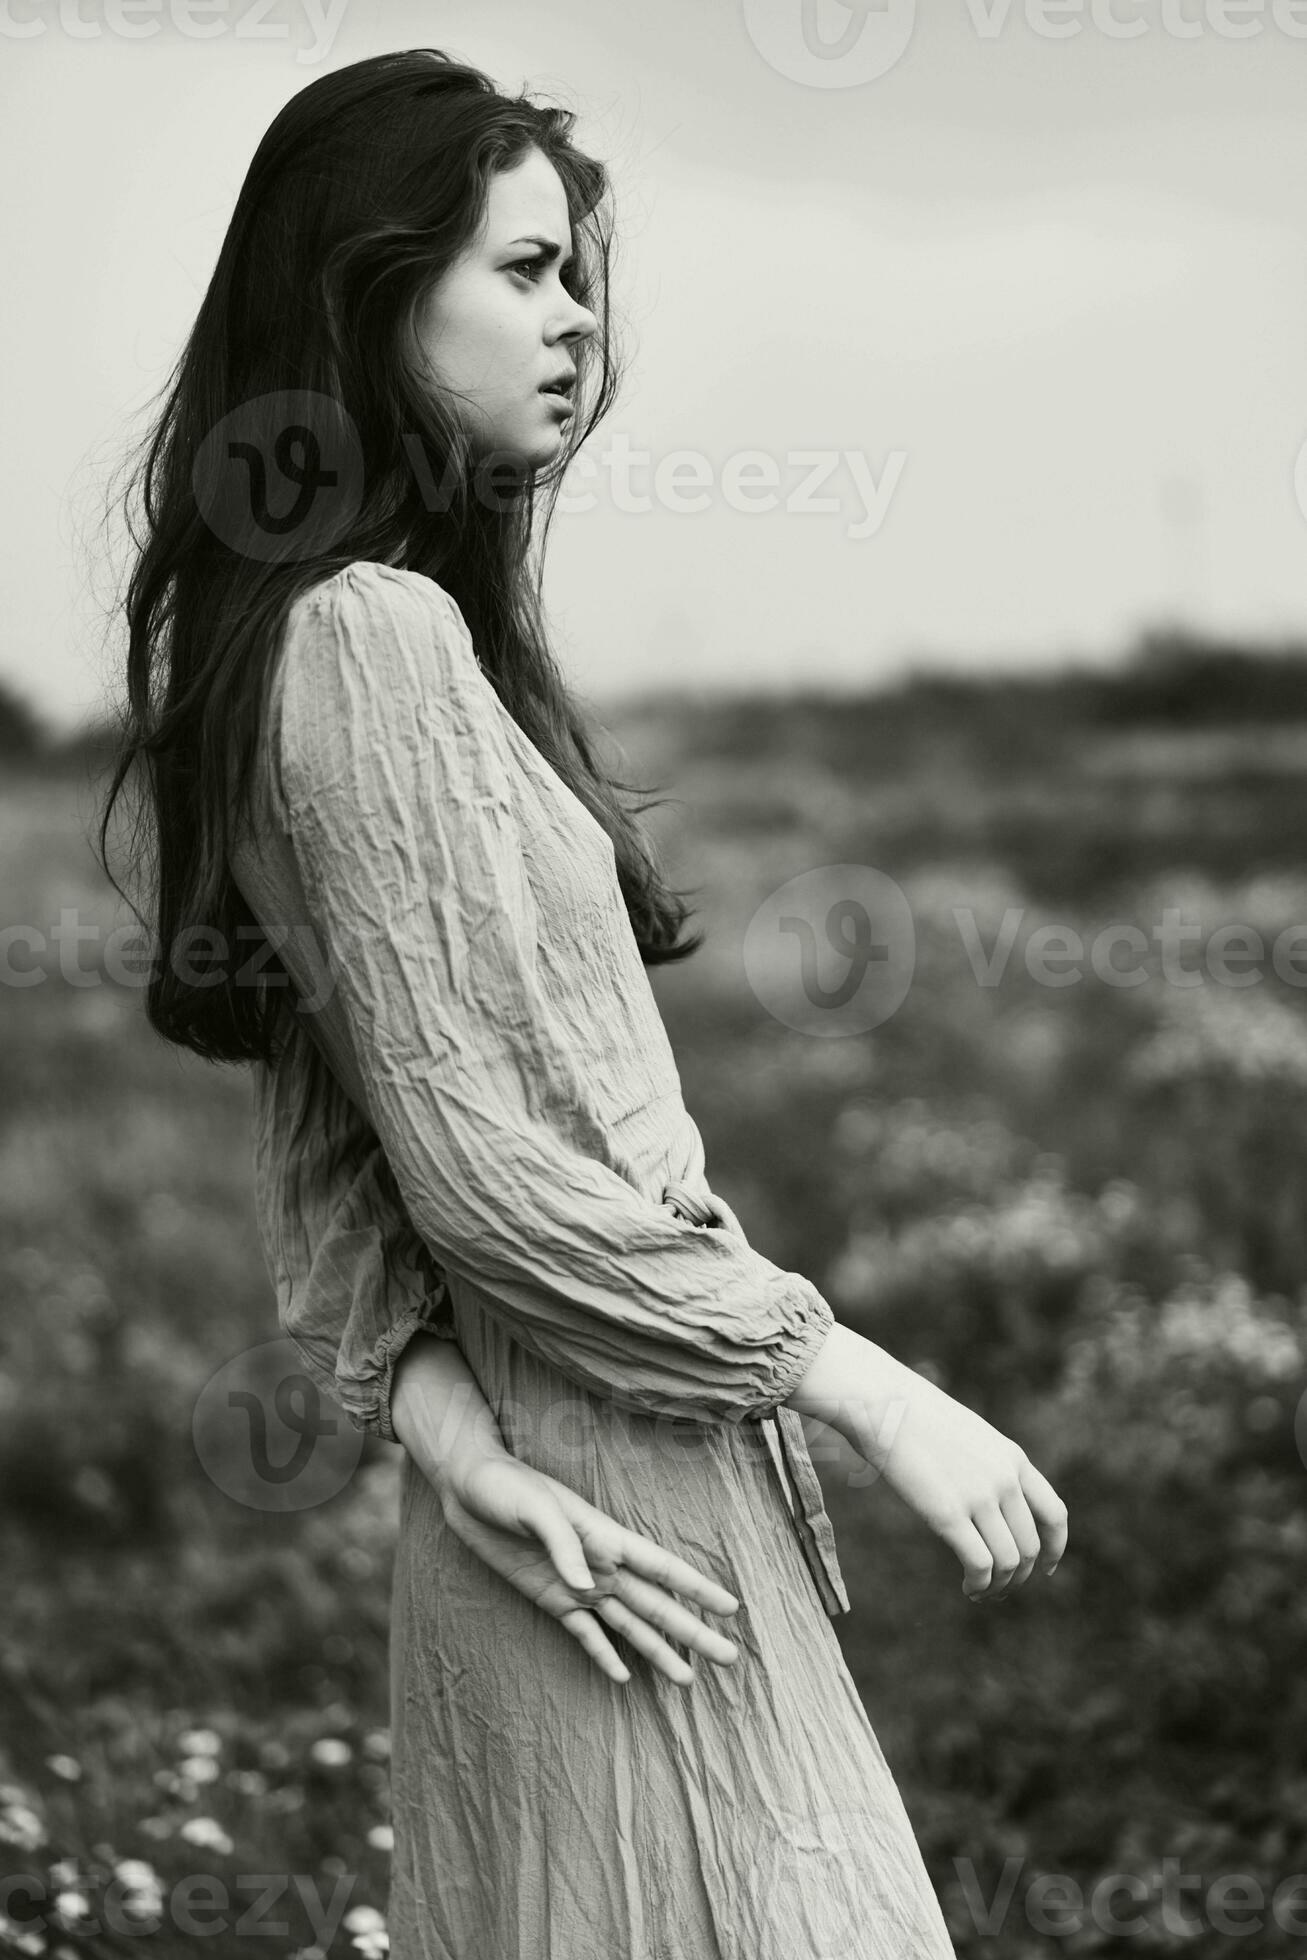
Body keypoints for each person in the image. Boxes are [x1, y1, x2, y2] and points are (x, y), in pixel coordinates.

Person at [97, 48, 1067, 1958]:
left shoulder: (331, 630)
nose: (579, 320)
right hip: (629, 1482)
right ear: (373, 292)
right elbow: (485, 1179)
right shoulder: (367, 640)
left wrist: (461, 1461)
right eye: (526, 270)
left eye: (579, 275)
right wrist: (873, 1391)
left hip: (555, 1519)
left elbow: (339, 1151)